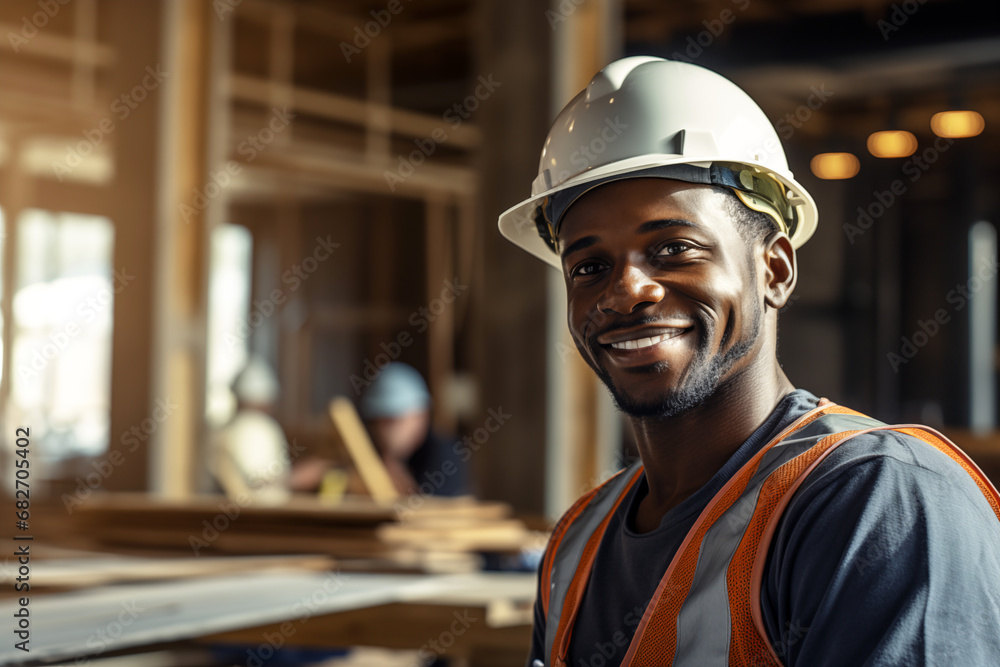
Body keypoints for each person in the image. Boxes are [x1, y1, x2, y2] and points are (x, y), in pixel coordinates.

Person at [496, 56, 1000, 667]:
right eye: (589, 266)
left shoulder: (876, 501)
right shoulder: (578, 540)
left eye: (673, 248)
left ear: (775, 270)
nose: (625, 290)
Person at [360, 362, 470, 497]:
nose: (383, 430)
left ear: (421, 416)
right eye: (377, 421)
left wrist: (393, 474)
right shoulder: (370, 449)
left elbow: (432, 511)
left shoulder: (445, 456)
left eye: (392, 420)